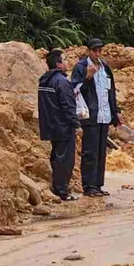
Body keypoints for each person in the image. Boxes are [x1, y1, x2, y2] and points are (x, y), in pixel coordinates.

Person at [71, 38, 121, 198]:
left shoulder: (105, 67)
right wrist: (88, 77)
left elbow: (110, 91)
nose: (97, 53)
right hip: (90, 116)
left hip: (104, 115)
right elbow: (75, 90)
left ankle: (98, 184)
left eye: (99, 50)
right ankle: (89, 186)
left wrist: (116, 111)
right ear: (88, 50)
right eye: (94, 50)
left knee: (100, 153)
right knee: (89, 152)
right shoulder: (80, 67)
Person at [38, 49, 80, 201]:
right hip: (63, 127)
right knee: (65, 160)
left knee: (56, 157)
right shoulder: (62, 82)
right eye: (65, 59)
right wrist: (76, 124)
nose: (68, 62)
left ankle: (58, 187)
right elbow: (67, 106)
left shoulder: (44, 80)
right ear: (58, 64)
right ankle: (61, 191)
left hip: (50, 126)